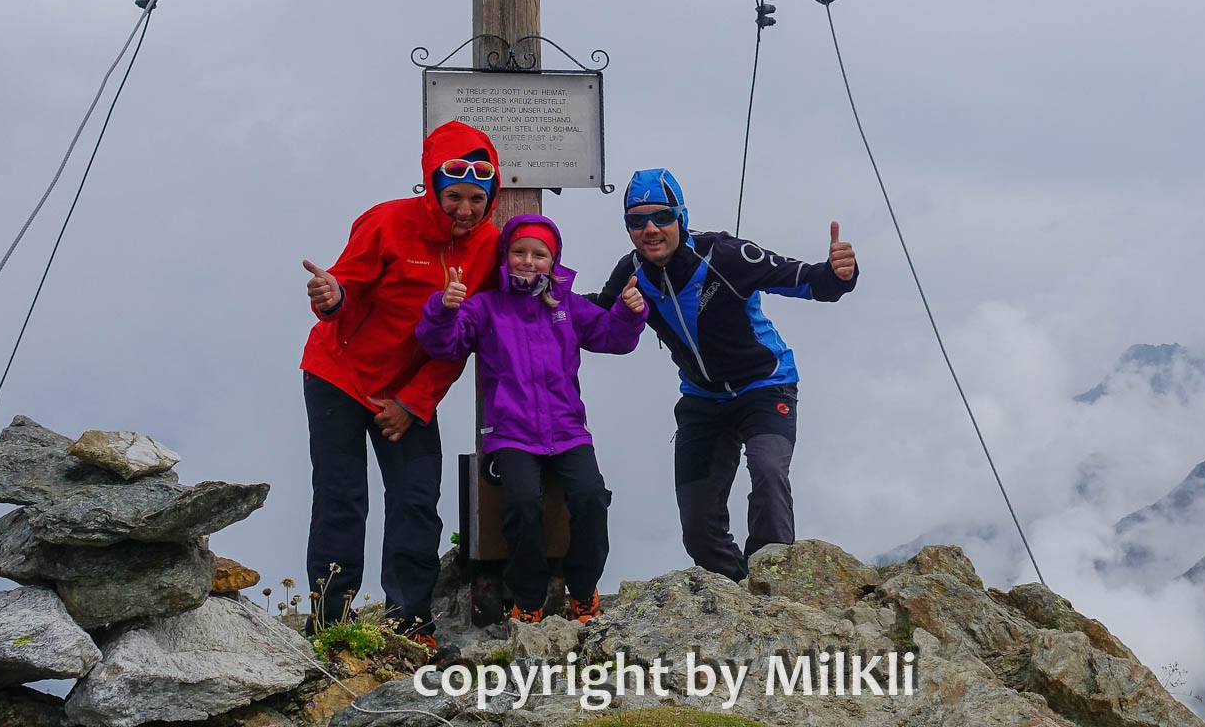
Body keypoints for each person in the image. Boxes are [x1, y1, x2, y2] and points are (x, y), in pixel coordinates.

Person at [594, 168, 858, 582]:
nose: (650, 229)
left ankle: (774, 584)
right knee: (698, 529)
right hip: (703, 399)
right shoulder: (631, 272)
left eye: (662, 216)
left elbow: (806, 281)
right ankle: (739, 593)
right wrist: (542, 297)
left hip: (765, 384)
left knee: (768, 472)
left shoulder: (725, 255)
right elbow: (596, 317)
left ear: (681, 216)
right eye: (636, 220)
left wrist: (839, 274)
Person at [297, 120, 502, 641]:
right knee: (341, 497)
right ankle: (331, 624)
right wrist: (332, 296)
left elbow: (464, 338)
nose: (465, 209)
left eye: (477, 198)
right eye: (454, 195)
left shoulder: (490, 247)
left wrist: (412, 403)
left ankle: (410, 623)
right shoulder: (386, 221)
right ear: (433, 188)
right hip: (339, 374)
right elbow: (346, 284)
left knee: (415, 499)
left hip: (409, 390)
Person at [416, 215, 649, 623]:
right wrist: (443, 308)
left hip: (568, 429)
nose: (528, 261)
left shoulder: (568, 305)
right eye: (519, 252)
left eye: (539, 254)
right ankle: (529, 597)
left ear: (553, 260)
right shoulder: (486, 305)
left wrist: (629, 314)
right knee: (522, 505)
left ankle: (582, 589)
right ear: (505, 257)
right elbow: (444, 344)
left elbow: (612, 338)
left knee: (592, 498)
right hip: (511, 433)